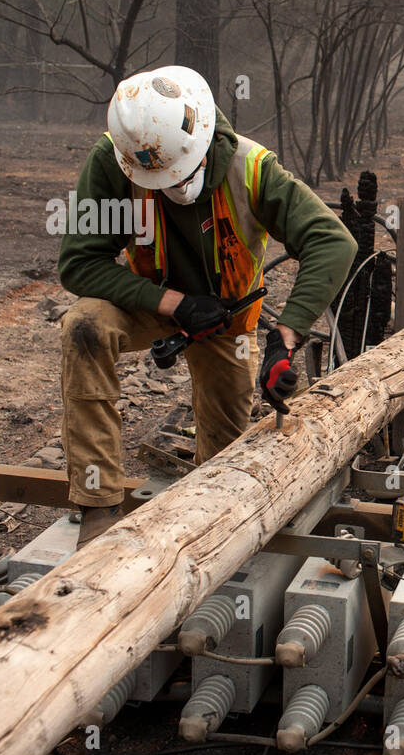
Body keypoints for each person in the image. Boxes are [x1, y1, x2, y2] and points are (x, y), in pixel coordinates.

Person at [58, 65, 356, 546]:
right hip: (148, 301)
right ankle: (98, 505)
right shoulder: (116, 161)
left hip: (228, 321)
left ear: (200, 139)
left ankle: (207, 530)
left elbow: (332, 241)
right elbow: (78, 263)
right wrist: (172, 302)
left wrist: (286, 337)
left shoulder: (251, 167)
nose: (169, 184)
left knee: (225, 456)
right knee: (84, 326)